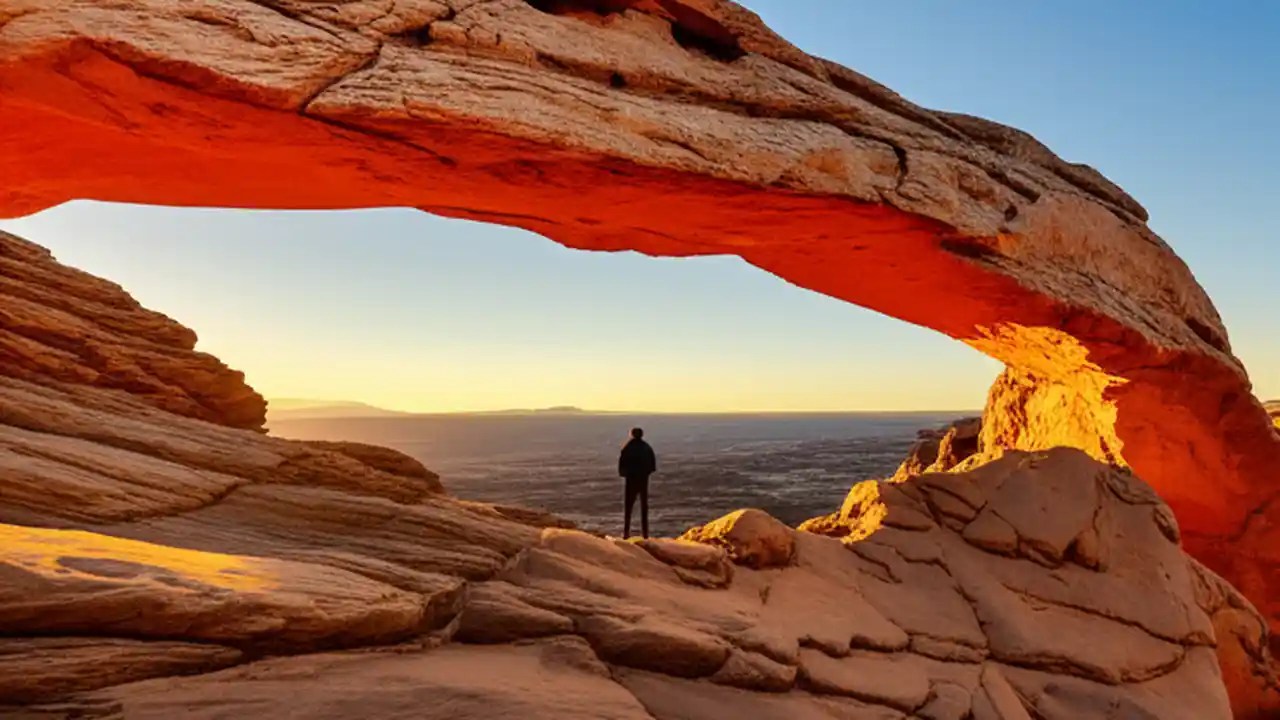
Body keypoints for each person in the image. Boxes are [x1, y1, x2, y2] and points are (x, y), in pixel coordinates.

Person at [617, 427, 657, 539]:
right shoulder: (647, 447)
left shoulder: (627, 447)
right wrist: (645, 473)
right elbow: (652, 465)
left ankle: (626, 533)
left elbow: (622, 465)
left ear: (632, 434)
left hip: (631, 480)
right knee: (644, 507)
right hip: (643, 480)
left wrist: (627, 474)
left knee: (628, 508)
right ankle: (645, 534)